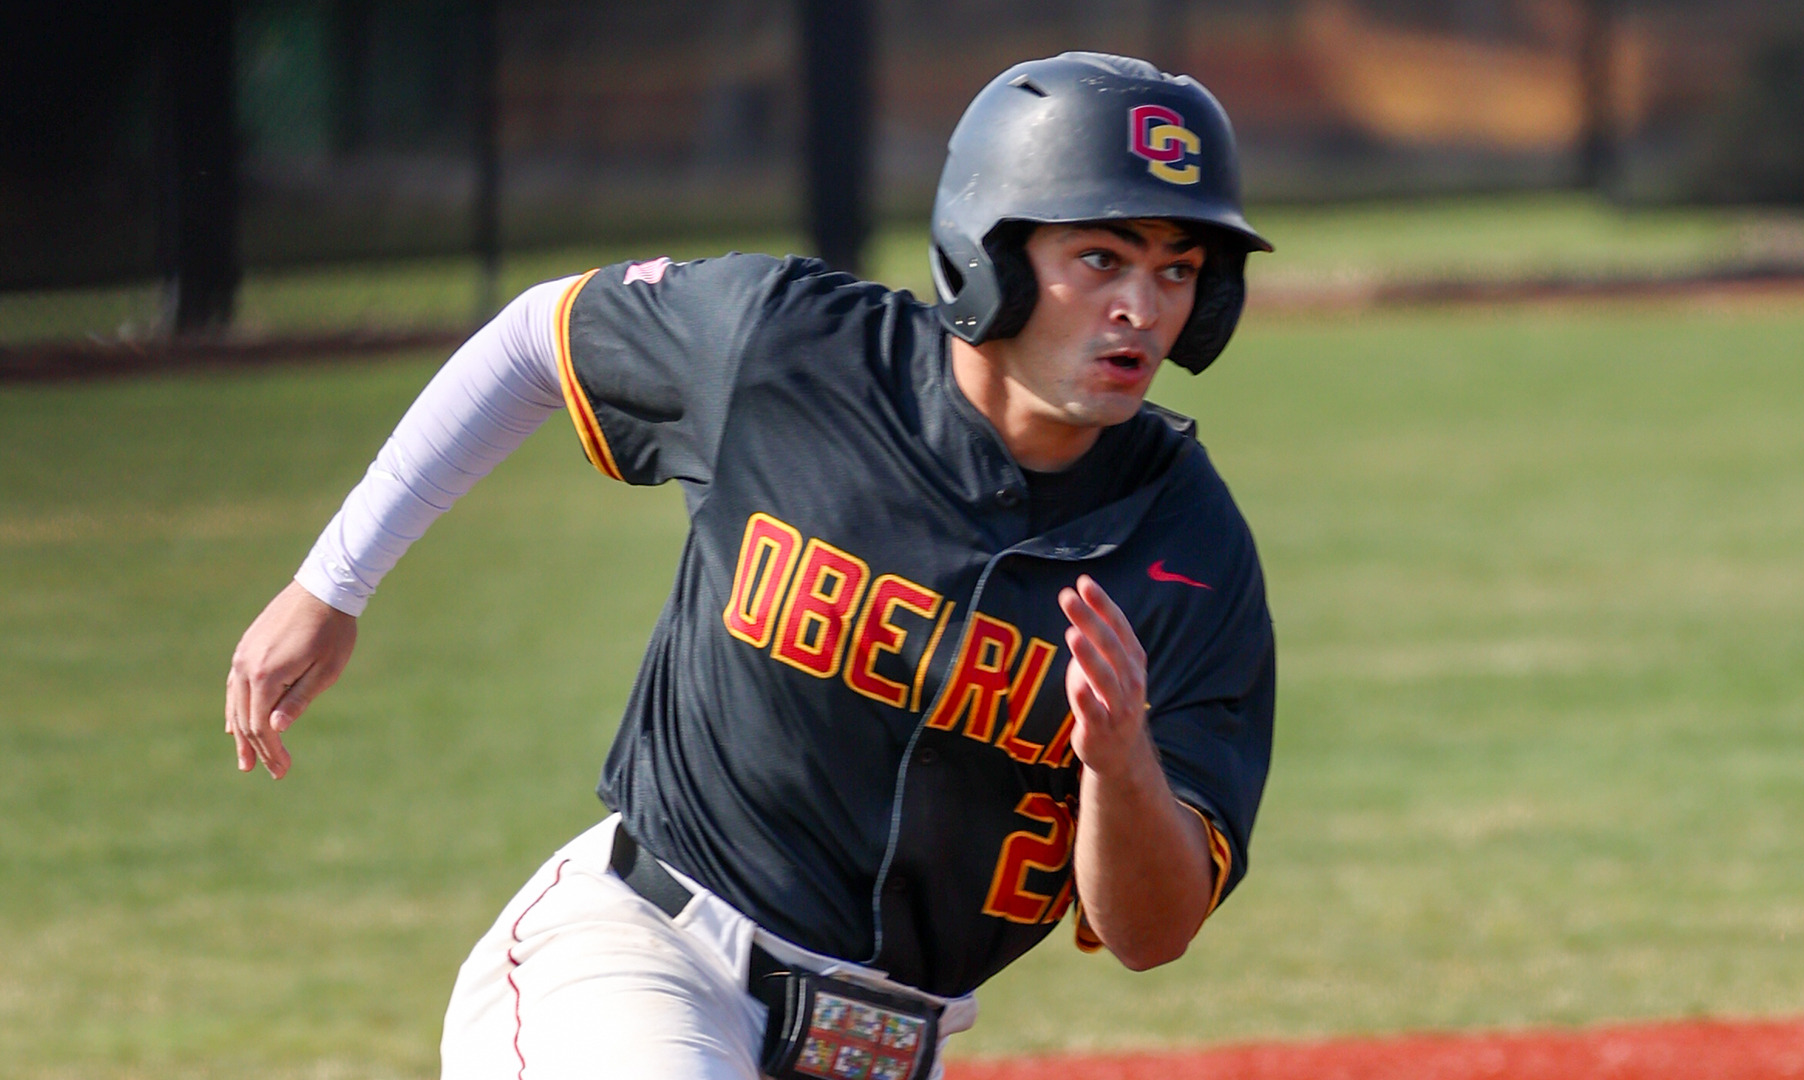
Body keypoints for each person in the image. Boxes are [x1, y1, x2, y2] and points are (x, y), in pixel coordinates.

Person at [225, 51, 1275, 1080]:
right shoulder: (790, 351)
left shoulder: (1189, 548)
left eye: (1178, 268)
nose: (1144, 306)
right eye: (1103, 258)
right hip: (642, 964)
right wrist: (334, 584)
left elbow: (1152, 933)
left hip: (889, 1050)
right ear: (989, 251)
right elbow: (536, 337)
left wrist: (1117, 761)